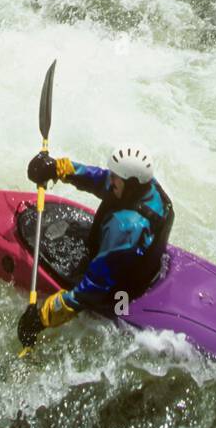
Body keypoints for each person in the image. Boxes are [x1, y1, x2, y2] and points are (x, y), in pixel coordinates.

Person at [17, 146, 174, 347]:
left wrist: (41, 318)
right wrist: (58, 168)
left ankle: (118, 315)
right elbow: (101, 180)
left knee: (100, 295)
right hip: (144, 266)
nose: (111, 179)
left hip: (120, 292)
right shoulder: (147, 186)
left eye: (116, 177)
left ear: (131, 184)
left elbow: (91, 290)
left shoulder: (124, 226)